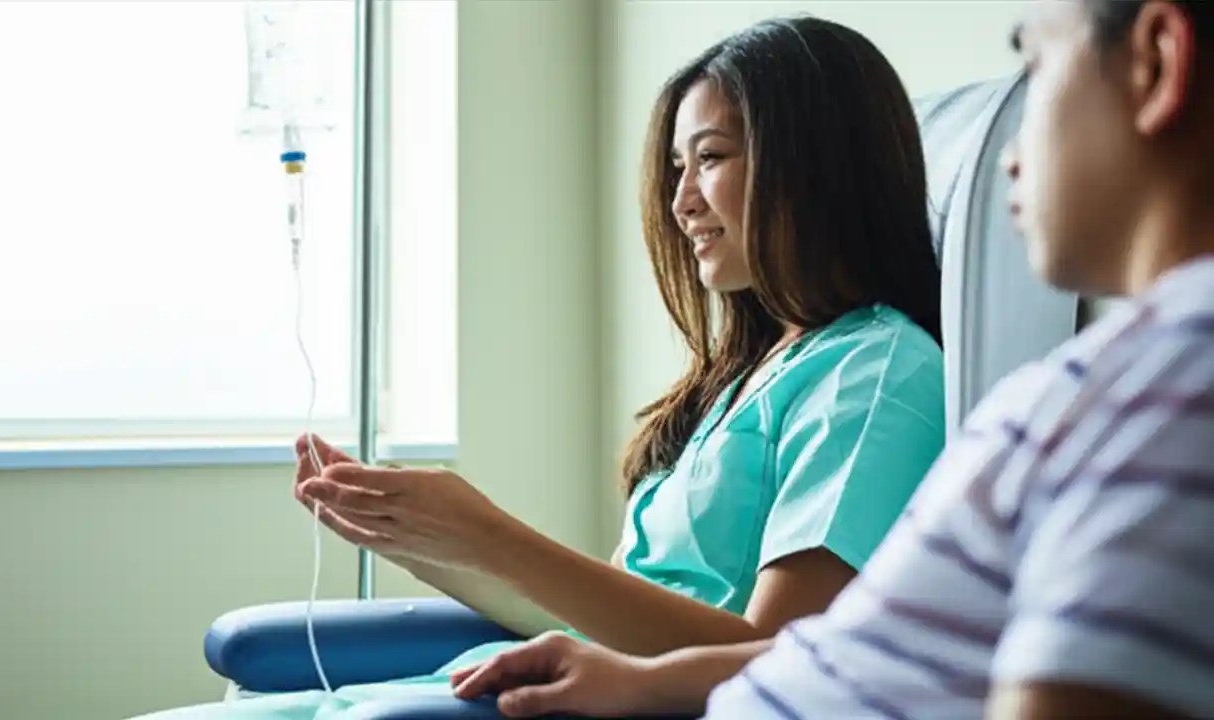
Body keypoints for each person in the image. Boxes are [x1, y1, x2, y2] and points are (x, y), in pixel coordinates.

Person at [135, 16, 946, 720]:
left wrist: (490, 533)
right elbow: (608, 612)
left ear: (816, 166)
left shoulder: (878, 374)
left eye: (711, 158)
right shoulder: (756, 368)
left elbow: (778, 659)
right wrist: (429, 541)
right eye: (676, 169)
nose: (680, 202)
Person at [450, 1, 1214, 718]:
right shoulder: (1070, 399)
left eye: (1037, 69)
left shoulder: (1162, 395)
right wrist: (638, 679)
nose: (1008, 151)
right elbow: (841, 655)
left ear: (1154, 64)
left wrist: (489, 539)